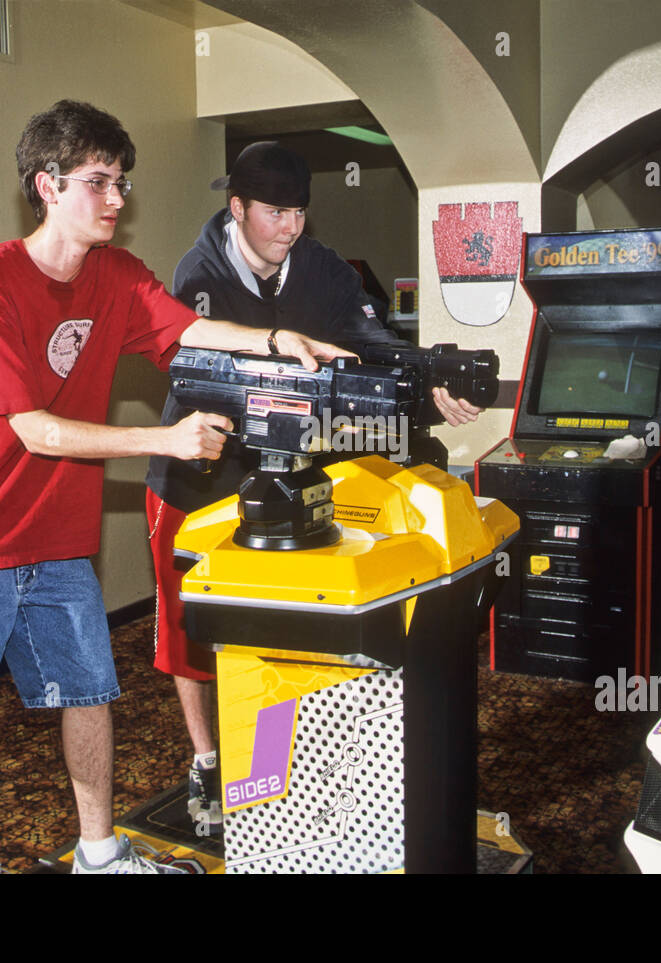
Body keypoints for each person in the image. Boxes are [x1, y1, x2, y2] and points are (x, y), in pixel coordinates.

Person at [0, 104, 347, 874]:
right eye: (98, 182)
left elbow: (185, 330)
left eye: (121, 182)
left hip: (55, 533)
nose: (116, 199)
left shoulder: (117, 275)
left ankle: (100, 854)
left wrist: (277, 339)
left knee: (90, 692)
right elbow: (35, 430)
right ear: (48, 185)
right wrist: (163, 439)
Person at [144, 141, 482, 832]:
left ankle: (279, 757)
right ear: (237, 208)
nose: (290, 226)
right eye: (275, 212)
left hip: (282, 463)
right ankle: (208, 761)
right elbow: (195, 360)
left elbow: (371, 337)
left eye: (299, 211)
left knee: (277, 622)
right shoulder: (199, 273)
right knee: (193, 631)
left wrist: (428, 375)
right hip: (197, 470)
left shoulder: (321, 268)